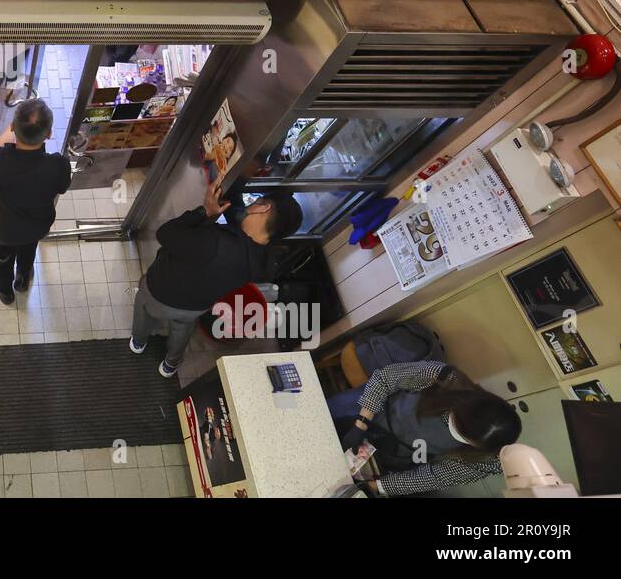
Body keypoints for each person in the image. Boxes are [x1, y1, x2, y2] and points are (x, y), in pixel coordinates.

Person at [130, 179, 303, 378]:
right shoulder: (263, 262)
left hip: (159, 291)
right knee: (181, 328)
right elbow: (236, 226)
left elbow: (166, 234)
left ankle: (138, 341)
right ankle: (170, 364)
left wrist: (204, 212)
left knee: (143, 309)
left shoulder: (216, 243)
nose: (251, 204)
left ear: (263, 208)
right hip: (196, 306)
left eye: (257, 201)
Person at [327, 361, 521, 497]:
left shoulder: (482, 460)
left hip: (390, 453)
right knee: (321, 416)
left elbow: (427, 478)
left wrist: (370, 487)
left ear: (475, 444)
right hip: (372, 408)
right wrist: (360, 424)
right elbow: (385, 378)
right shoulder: (443, 378)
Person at [0, 98, 71, 305]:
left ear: (12, 127)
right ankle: (22, 279)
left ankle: (5, 291)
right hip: (36, 226)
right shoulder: (58, 165)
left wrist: (12, 129)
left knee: (0, 261)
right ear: (49, 134)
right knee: (28, 250)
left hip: (0, 229)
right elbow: (62, 188)